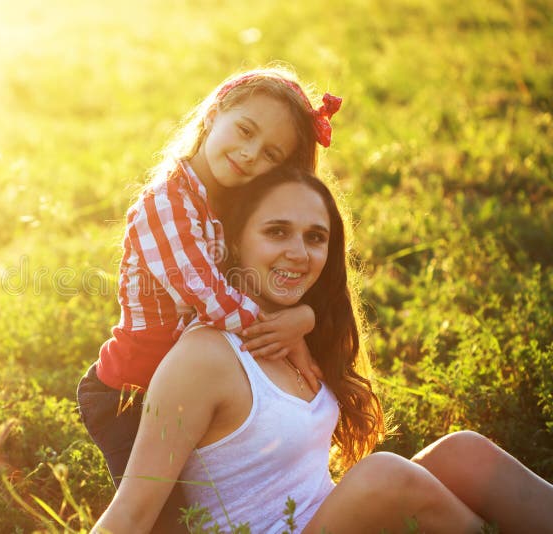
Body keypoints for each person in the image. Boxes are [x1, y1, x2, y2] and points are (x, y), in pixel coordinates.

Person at [92, 168, 553, 534]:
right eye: (277, 232)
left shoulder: (295, 334)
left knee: (463, 452)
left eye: (315, 237)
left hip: (323, 516)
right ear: (235, 241)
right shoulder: (203, 358)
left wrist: (306, 319)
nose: (299, 252)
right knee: (381, 477)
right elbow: (130, 514)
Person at [78, 66, 342, 531]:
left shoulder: (225, 205)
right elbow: (208, 295)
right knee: (154, 519)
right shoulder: (164, 204)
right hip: (132, 392)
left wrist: (304, 315)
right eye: (245, 131)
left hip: (194, 386)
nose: (249, 154)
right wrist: (285, 328)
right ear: (214, 113)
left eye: (270, 154)